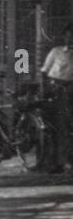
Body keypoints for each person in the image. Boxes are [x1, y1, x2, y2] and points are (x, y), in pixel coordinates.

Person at [40, 26, 73, 172]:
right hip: (56, 91)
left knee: (68, 127)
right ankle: (56, 162)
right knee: (58, 127)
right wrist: (45, 90)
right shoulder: (56, 52)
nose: (70, 39)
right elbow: (44, 71)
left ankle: (67, 160)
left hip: (71, 90)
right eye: (68, 36)